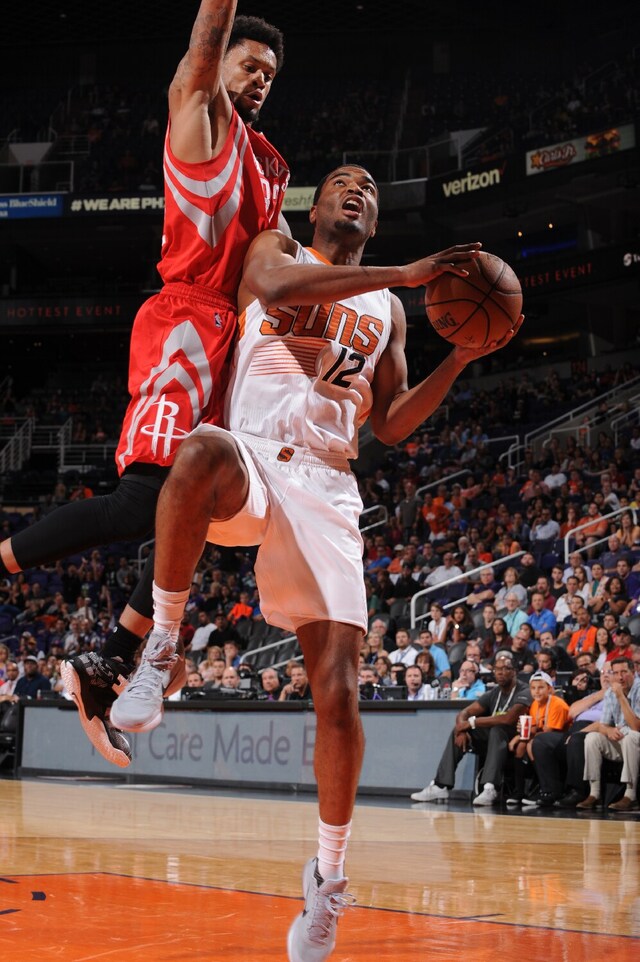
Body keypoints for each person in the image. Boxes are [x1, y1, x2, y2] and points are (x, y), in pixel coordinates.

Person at [107, 165, 520, 962]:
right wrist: (405, 270)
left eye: (369, 185)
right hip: (253, 457)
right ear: (317, 205)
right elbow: (265, 282)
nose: (357, 189)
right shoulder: (276, 245)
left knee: (337, 695)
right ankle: (161, 648)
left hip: (329, 485)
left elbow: (393, 424)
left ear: (376, 214)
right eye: (341, 181)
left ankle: (327, 883)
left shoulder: (388, 309)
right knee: (197, 450)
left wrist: (462, 356)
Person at [2, 1, 289, 769]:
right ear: (219, 63)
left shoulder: (270, 166)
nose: (258, 80)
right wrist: (216, 27)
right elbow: (201, 47)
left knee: (187, 519)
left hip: (232, 348)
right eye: (247, 66)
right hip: (185, 324)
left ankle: (105, 661)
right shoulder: (199, 117)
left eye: (269, 73)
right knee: (140, 503)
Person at [410, 654, 531, 807]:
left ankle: (490, 787)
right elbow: (465, 713)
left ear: (514, 671)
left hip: (514, 740)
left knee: (497, 729)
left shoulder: (524, 690)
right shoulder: (494, 692)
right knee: (458, 730)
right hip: (493, 742)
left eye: (506, 669)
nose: (500, 672)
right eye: (497, 669)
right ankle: (440, 785)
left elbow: (508, 719)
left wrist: (472, 723)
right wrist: (461, 729)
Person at [577, 657, 640, 811]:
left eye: (624, 672)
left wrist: (621, 696)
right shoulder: (610, 692)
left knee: (632, 736)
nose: (620, 677)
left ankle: (630, 795)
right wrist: (608, 730)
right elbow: (603, 725)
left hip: (635, 740)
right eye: (616, 673)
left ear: (634, 672)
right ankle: (595, 794)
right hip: (622, 740)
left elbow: (636, 726)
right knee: (592, 738)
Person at [506, 670, 570, 807]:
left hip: (563, 740)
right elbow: (535, 728)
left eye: (541, 687)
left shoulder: (557, 704)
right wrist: (519, 736)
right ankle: (519, 791)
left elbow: (549, 732)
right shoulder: (535, 704)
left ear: (550, 689)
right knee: (521, 746)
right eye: (533, 688)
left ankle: (544, 788)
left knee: (531, 744)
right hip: (544, 737)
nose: (537, 692)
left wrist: (524, 736)